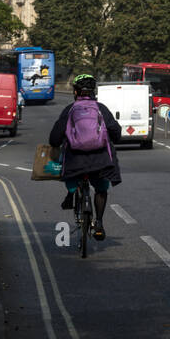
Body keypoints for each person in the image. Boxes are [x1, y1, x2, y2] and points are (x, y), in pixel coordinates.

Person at [49, 73, 122, 241]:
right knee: (101, 189)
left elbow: (54, 139)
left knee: (68, 169)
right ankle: (99, 223)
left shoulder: (69, 110)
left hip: (76, 160)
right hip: (100, 160)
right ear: (93, 92)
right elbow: (116, 133)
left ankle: (71, 192)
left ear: (75, 92)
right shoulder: (101, 109)